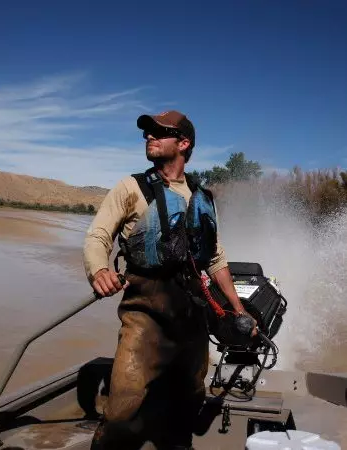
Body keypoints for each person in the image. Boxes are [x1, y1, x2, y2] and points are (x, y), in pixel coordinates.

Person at [83, 110, 256, 450]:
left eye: (160, 132)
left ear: (184, 144)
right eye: (147, 131)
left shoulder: (203, 197)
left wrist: (237, 310)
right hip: (145, 315)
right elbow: (97, 236)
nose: (150, 136)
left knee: (189, 402)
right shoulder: (131, 187)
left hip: (192, 318)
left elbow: (216, 258)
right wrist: (99, 270)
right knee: (122, 408)